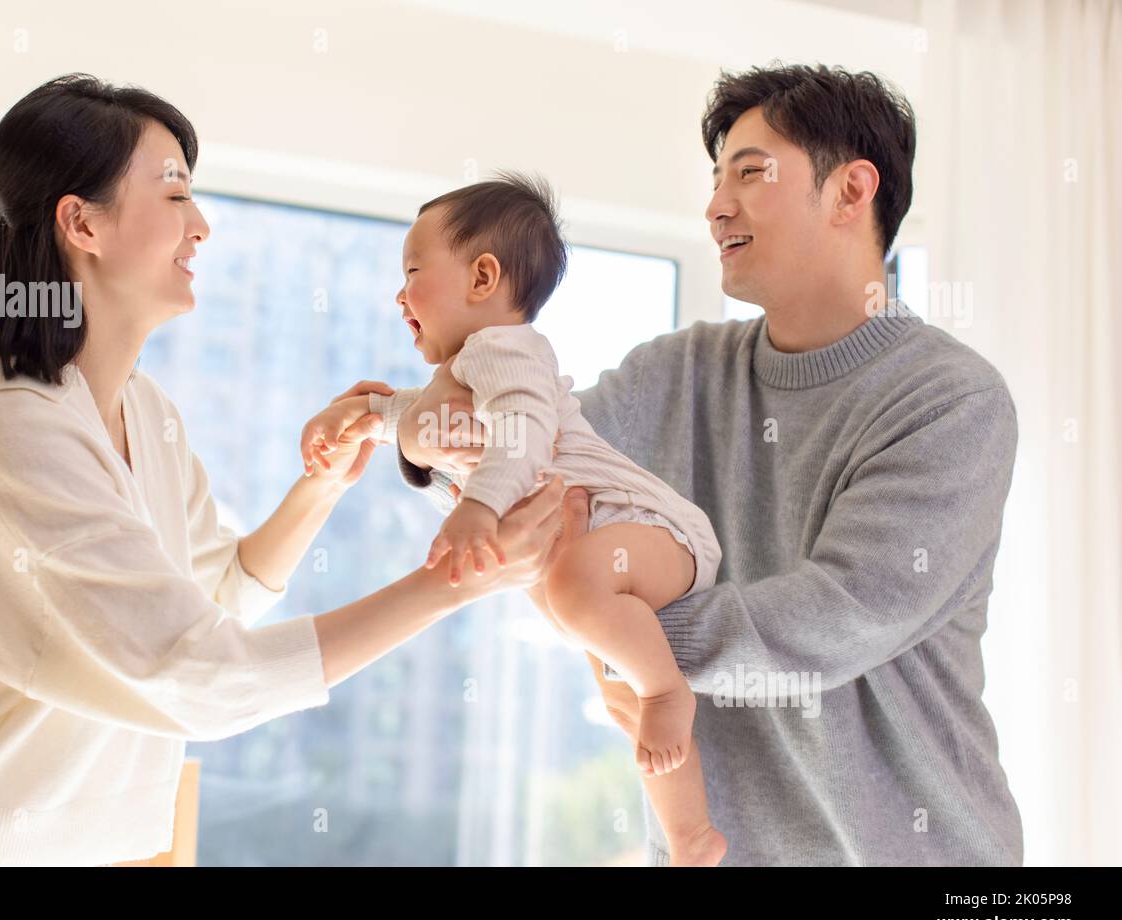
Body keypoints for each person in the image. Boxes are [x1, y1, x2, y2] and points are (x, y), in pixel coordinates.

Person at [0, 74, 565, 867]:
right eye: (174, 193)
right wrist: (458, 579)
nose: (201, 224)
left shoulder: (146, 412)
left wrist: (324, 483)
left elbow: (218, 594)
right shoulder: (16, 433)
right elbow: (197, 674)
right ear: (83, 223)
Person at [391, 64, 1024, 866]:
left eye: (751, 173)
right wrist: (411, 436)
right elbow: (528, 460)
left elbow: (835, 618)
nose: (716, 205)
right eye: (716, 178)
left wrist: (624, 633)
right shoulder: (677, 372)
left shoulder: (950, 400)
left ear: (851, 192)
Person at [301, 173, 726, 865]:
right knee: (616, 695)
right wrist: (354, 418)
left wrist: (477, 506)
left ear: (483, 276)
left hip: (650, 529)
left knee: (593, 618)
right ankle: (691, 837)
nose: (398, 295)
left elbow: (521, 434)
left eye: (412, 272)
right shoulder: (464, 373)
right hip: (606, 551)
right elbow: (408, 418)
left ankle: (669, 688)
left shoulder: (505, 350)